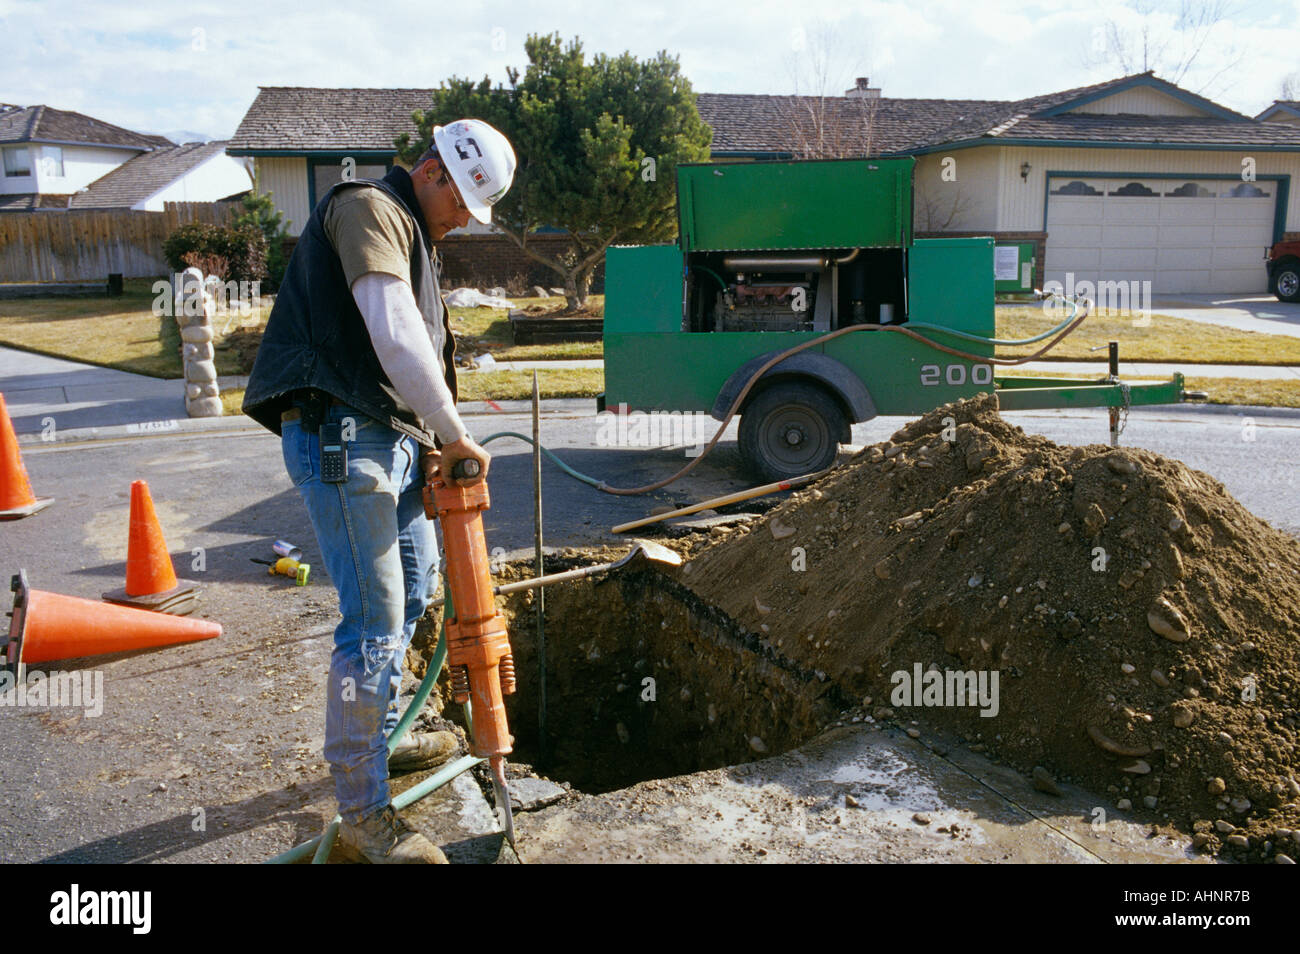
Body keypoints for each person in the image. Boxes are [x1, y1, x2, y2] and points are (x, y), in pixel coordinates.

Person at [242, 119, 517, 863]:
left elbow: (410, 351)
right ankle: (365, 815)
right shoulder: (369, 208)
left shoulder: (416, 237)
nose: (463, 219)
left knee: (420, 583)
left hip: (388, 440)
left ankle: (381, 732)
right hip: (342, 439)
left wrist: (429, 444)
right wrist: (456, 433)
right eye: (461, 201)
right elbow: (394, 332)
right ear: (431, 169)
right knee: (374, 623)